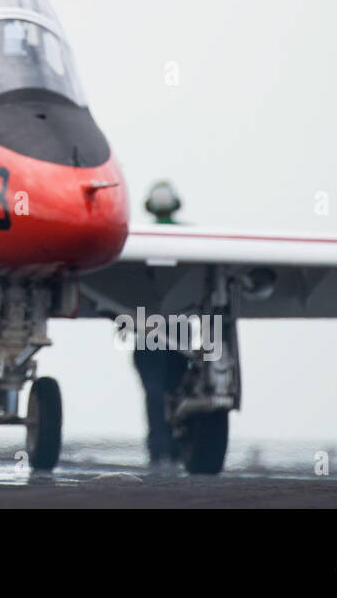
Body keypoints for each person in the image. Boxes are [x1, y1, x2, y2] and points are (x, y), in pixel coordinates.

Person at [134, 180, 187, 469]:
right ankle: (176, 449)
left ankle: (159, 452)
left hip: (148, 329)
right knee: (177, 390)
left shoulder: (141, 238)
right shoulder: (189, 237)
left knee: (154, 393)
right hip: (180, 328)